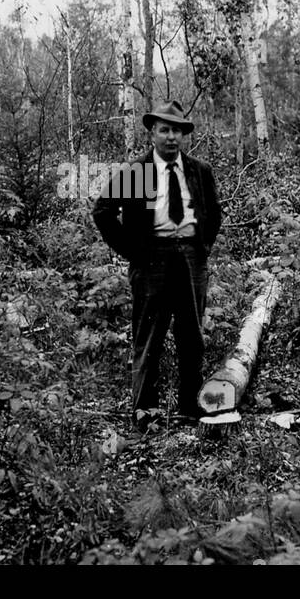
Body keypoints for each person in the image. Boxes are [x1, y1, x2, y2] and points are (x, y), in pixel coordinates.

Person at [92, 100, 222, 432]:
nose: (171, 137)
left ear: (184, 135)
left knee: (191, 336)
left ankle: (190, 408)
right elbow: (104, 211)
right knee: (149, 336)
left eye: (177, 130)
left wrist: (202, 247)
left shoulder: (198, 170)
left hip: (191, 259)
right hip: (152, 261)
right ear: (152, 133)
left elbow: (214, 213)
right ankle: (144, 414)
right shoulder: (139, 173)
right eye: (164, 130)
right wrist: (133, 252)